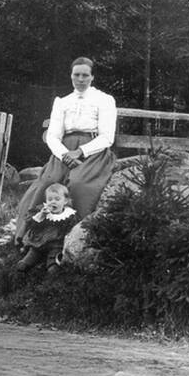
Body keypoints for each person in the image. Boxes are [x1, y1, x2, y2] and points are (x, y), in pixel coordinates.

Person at [14, 57, 117, 245]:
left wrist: (80, 152)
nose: (80, 79)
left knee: (79, 184)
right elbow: (53, 135)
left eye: (85, 75)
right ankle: (33, 238)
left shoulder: (104, 100)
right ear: (71, 76)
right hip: (63, 151)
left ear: (92, 77)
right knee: (48, 182)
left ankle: (72, 238)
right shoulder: (62, 102)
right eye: (76, 75)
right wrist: (64, 155)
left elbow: (107, 137)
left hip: (93, 151)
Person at [16, 182, 75, 271]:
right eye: (50, 199)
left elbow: (72, 228)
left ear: (65, 201)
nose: (53, 202)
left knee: (54, 253)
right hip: (40, 241)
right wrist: (41, 216)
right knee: (34, 252)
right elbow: (32, 225)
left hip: (56, 243)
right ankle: (26, 262)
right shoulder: (42, 211)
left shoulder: (69, 214)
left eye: (57, 199)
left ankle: (52, 265)